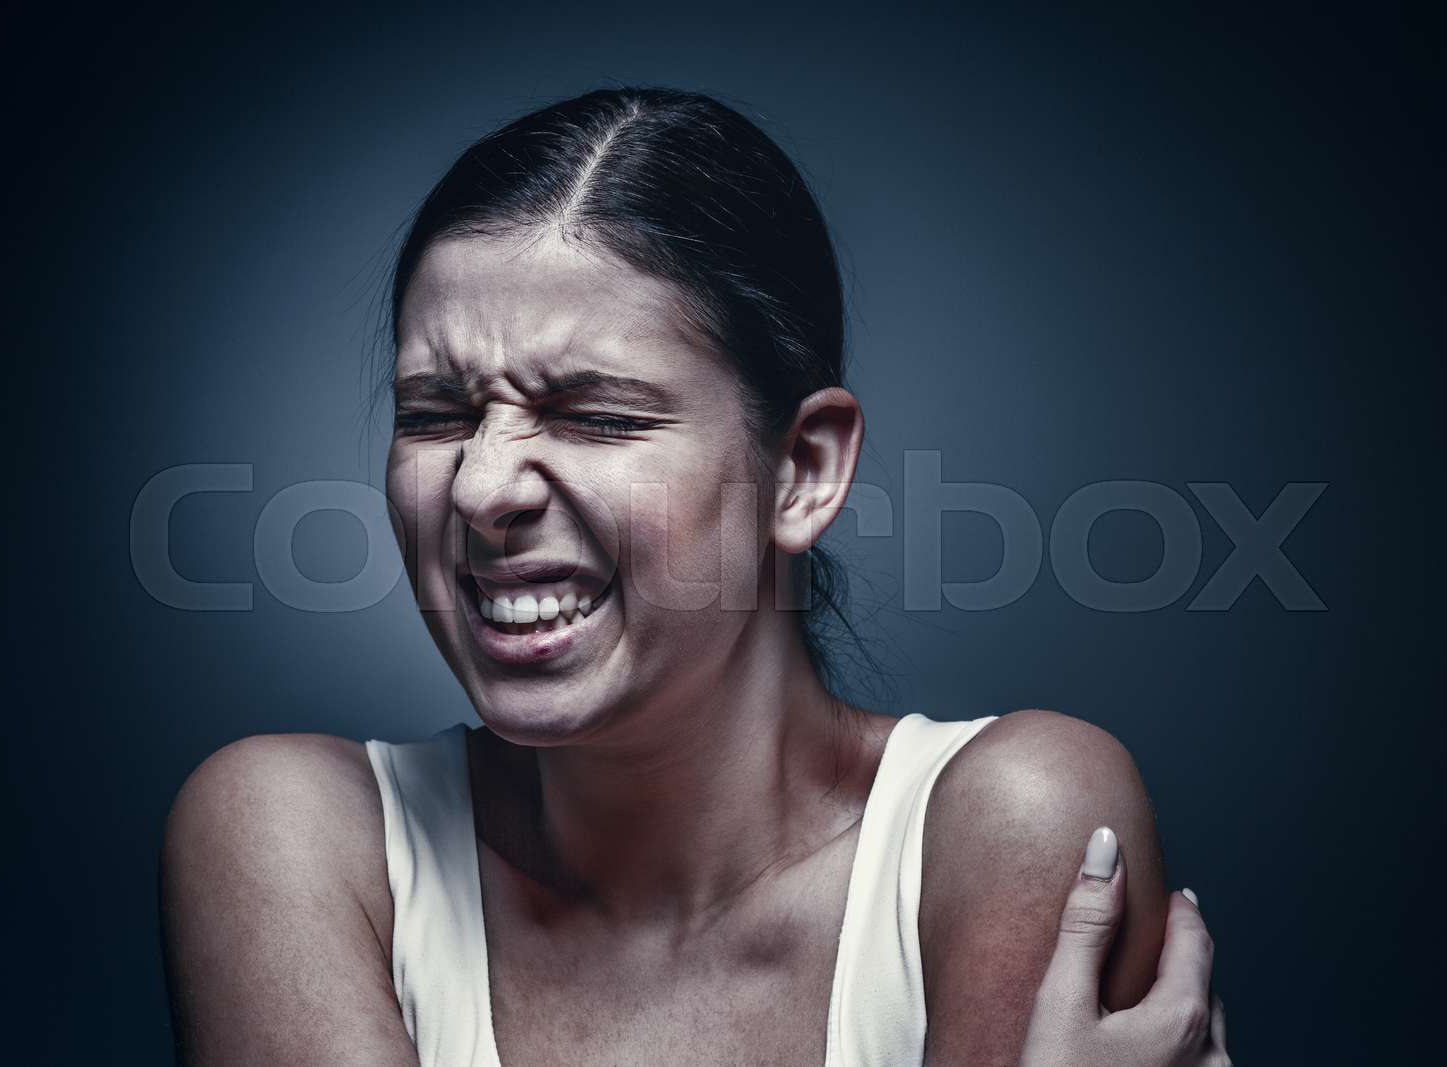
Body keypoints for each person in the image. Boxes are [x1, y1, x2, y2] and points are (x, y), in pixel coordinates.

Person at [160, 87, 1232, 1066]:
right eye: (435, 415)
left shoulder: (1012, 816)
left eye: (596, 414)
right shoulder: (294, 834)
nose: (482, 487)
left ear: (801, 472)